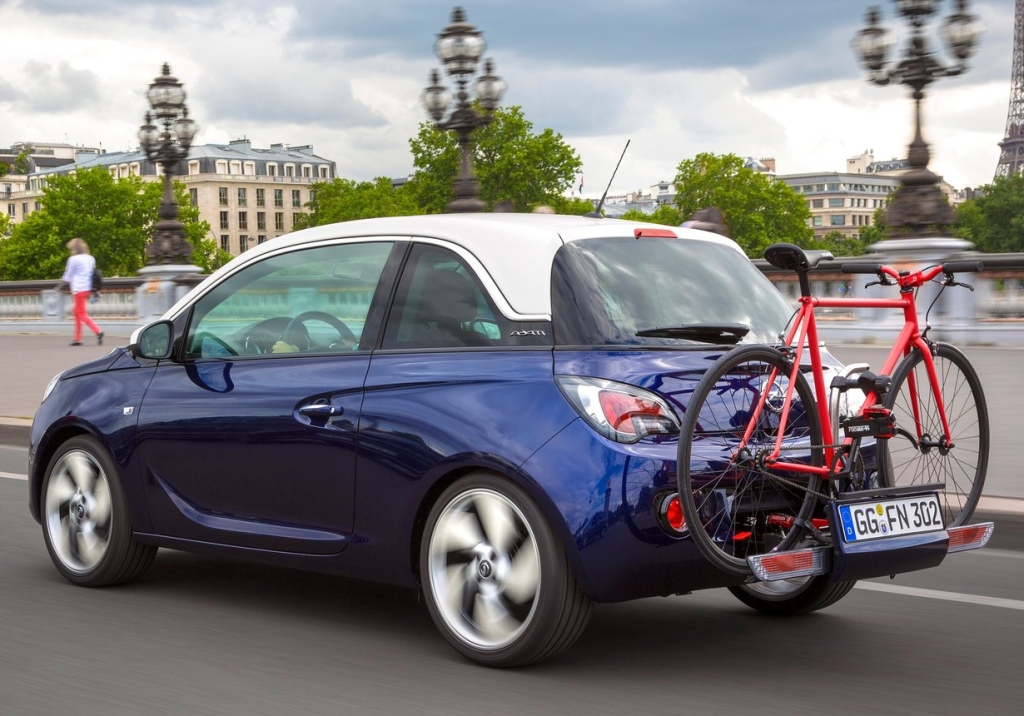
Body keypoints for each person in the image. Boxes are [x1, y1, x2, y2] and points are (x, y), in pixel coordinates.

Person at [58, 237, 103, 346]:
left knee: (81, 314)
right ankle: (77, 338)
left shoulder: (73, 259)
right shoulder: (90, 258)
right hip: (88, 289)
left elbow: (68, 276)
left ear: (73, 248)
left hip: (78, 289)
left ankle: (98, 331)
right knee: (76, 312)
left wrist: (59, 286)